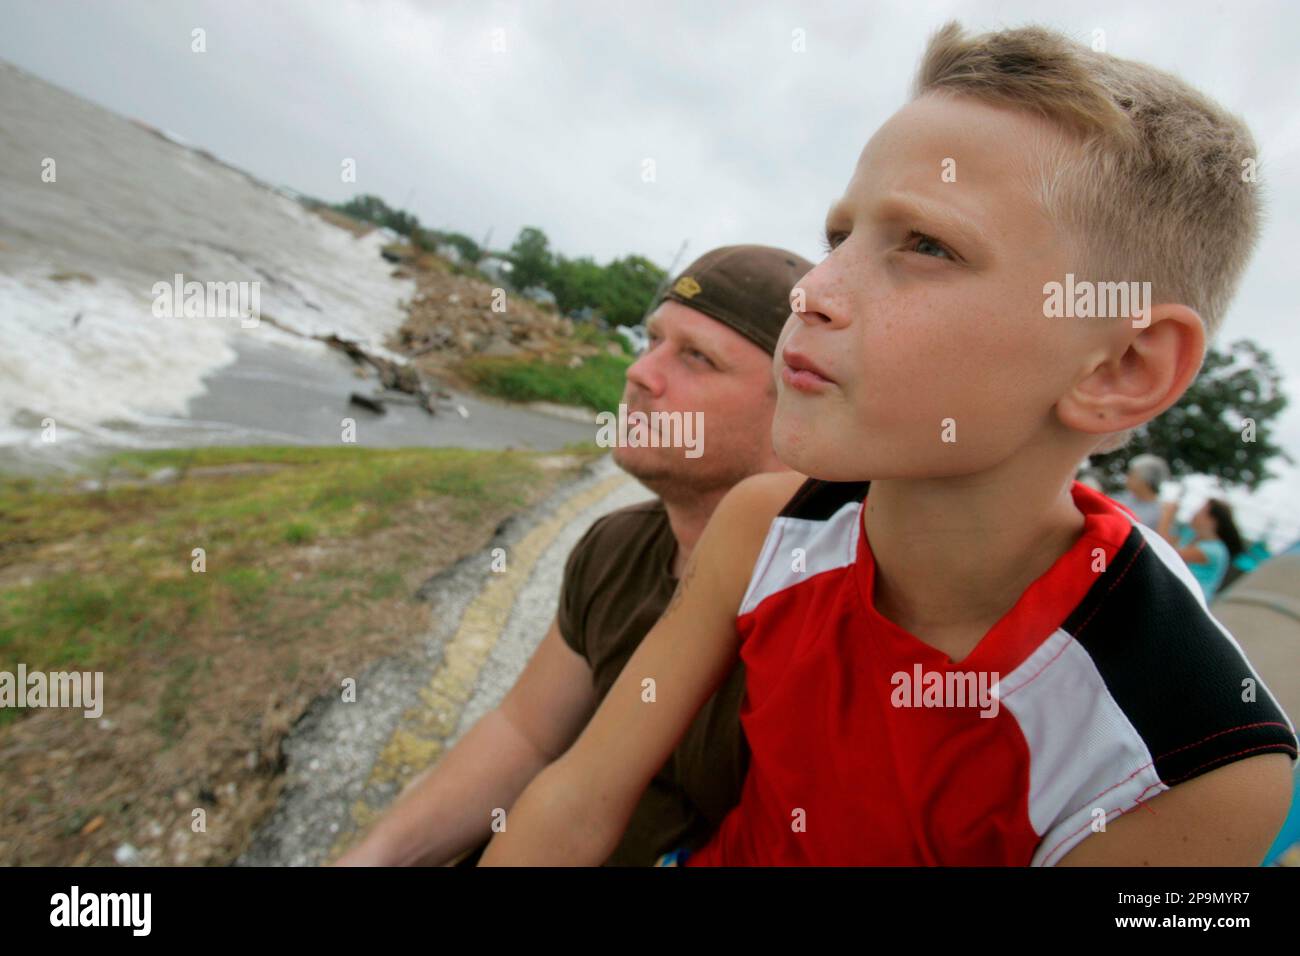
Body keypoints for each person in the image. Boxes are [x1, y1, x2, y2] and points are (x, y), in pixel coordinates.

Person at [479, 22, 1298, 867]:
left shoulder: (1189, 753)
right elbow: (578, 803)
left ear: (1120, 367)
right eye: (840, 238)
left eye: (927, 245)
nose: (811, 289)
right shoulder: (769, 525)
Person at [334, 244, 812, 866]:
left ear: (793, 411)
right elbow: (525, 733)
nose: (641, 373)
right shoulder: (616, 547)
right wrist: (374, 858)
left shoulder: (818, 613)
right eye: (653, 341)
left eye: (697, 358)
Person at [1158, 497, 1245, 601]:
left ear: (1212, 521)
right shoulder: (1190, 534)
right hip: (1174, 592)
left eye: (1201, 511)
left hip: (1189, 602)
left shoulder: (1215, 550)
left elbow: (1162, 552)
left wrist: (1167, 515)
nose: (1195, 513)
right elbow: (1166, 542)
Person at [1113, 453, 1171, 527]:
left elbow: (1163, 537)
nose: (1127, 478)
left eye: (1131, 475)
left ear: (1145, 480)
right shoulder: (1118, 500)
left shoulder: (1163, 510)